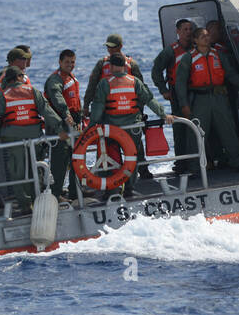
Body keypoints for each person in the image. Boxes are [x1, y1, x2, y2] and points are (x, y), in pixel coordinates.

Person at [0, 66, 67, 212]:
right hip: (34, 136)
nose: (24, 79)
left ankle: (25, 204)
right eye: (22, 76)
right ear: (18, 78)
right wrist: (60, 129)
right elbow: (47, 112)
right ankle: (38, 200)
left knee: (18, 172)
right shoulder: (32, 91)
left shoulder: (2, 96)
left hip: (12, 138)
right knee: (35, 168)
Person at [89, 53, 173, 195]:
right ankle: (129, 188)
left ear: (111, 67)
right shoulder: (135, 82)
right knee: (131, 157)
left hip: (113, 129)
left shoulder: (105, 83)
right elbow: (149, 99)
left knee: (112, 157)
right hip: (133, 128)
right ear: (124, 66)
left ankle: (114, 188)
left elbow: (97, 108)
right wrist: (163, 114)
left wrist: (91, 126)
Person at [176, 28, 239, 173]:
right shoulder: (188, 58)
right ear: (195, 40)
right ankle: (194, 167)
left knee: (228, 129)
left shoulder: (218, 55)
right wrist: (184, 104)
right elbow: (180, 83)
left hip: (219, 98)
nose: (206, 38)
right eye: (202, 36)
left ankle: (237, 161)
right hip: (199, 100)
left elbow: (229, 72)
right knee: (196, 133)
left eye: (207, 35)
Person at [152, 19, 196, 177]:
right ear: (177, 31)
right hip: (177, 94)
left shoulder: (197, 49)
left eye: (190, 29)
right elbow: (156, 71)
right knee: (180, 129)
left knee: (197, 126)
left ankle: (200, 160)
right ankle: (181, 163)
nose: (188, 32)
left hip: (195, 92)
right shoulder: (170, 51)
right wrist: (163, 90)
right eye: (185, 29)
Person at [44, 49, 82, 201]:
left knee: (77, 158)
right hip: (60, 125)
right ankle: (56, 194)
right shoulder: (55, 80)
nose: (70, 65)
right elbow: (59, 100)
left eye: (72, 62)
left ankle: (75, 190)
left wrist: (79, 118)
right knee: (60, 161)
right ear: (60, 62)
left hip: (73, 123)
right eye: (67, 62)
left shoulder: (71, 78)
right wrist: (67, 115)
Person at [83, 33, 144, 119]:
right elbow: (92, 85)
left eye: (113, 47)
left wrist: (140, 111)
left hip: (128, 109)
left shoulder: (131, 64)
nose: (110, 49)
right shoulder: (102, 63)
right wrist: (86, 106)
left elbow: (141, 90)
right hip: (106, 111)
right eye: (108, 47)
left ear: (120, 46)